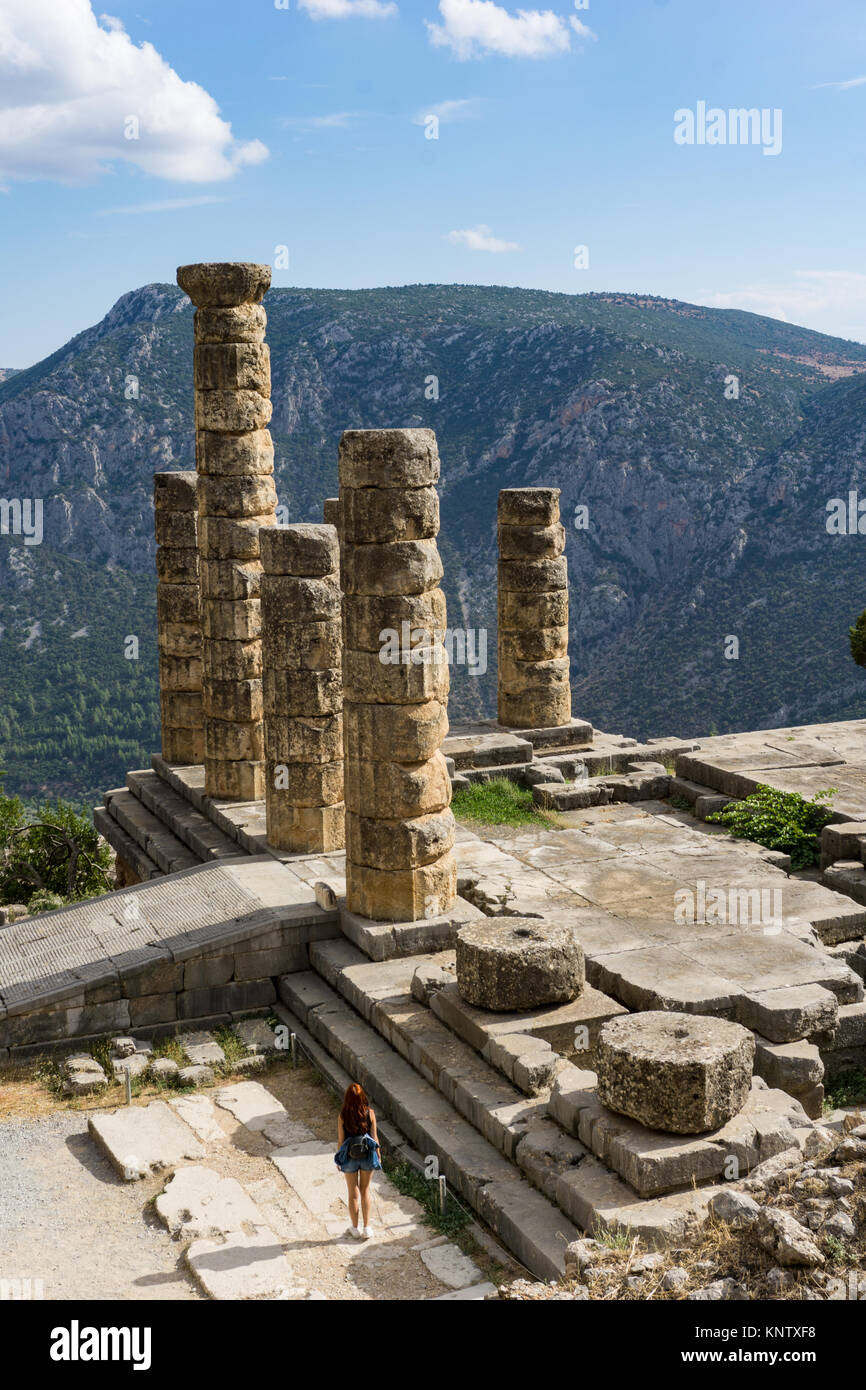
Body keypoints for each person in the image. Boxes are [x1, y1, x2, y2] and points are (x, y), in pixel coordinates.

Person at [334, 1082, 381, 1240]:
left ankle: (355, 1228)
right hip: (367, 1154)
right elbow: (374, 1137)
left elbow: (341, 1140)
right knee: (365, 1190)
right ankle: (367, 1227)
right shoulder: (370, 1113)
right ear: (363, 1097)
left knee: (352, 1193)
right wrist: (378, 1154)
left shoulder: (342, 1115)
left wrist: (339, 1159)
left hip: (349, 1156)